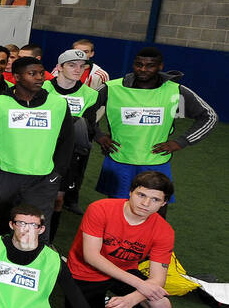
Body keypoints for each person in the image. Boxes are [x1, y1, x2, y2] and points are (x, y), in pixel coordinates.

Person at [66, 172, 175, 308]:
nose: (145, 203)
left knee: (162, 307)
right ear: (130, 192)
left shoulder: (164, 231)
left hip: (123, 273)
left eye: (155, 199)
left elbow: (158, 280)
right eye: (141, 195)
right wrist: (138, 285)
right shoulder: (101, 209)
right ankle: (100, 304)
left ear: (163, 203)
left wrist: (132, 299)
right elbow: (91, 256)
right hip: (85, 272)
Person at [93, 47, 217, 201]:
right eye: (139, 64)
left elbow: (209, 117)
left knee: (156, 211)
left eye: (150, 65)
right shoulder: (112, 88)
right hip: (119, 159)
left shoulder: (176, 91)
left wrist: (180, 142)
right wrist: (98, 135)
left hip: (156, 162)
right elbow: (83, 113)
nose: (143, 69)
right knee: (117, 210)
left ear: (160, 67)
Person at [0, 56, 74, 238]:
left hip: (42, 179)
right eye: (32, 74)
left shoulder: (58, 104)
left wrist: (57, 173)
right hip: (5, 176)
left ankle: (36, 262)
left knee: (37, 227)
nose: (40, 78)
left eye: (41, 73)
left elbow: (66, 142)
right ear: (17, 77)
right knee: (3, 225)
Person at [45, 48, 98, 223]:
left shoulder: (90, 95)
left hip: (69, 153)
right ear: (59, 67)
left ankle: (48, 240)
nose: (78, 69)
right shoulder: (43, 87)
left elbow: (89, 126)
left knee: (58, 199)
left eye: (82, 66)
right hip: (40, 149)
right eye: (72, 65)